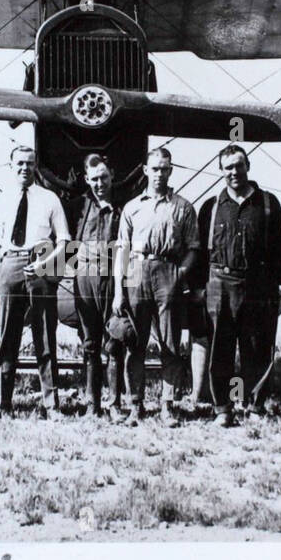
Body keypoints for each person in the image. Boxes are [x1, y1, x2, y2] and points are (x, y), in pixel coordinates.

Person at [196, 144, 281, 427]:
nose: (234, 172)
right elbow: (200, 253)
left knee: (257, 347)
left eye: (239, 165)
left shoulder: (269, 204)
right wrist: (201, 290)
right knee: (221, 348)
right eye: (228, 168)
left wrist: (277, 289)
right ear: (221, 171)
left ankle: (255, 407)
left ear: (248, 166)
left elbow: (280, 251)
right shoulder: (211, 207)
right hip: (220, 284)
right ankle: (222, 408)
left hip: (258, 285)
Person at [114, 147, 200, 427]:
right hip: (137, 273)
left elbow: (193, 248)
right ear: (145, 171)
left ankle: (167, 406)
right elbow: (122, 251)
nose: (159, 174)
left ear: (171, 170)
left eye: (165, 168)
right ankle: (135, 406)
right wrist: (118, 290)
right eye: (155, 168)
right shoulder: (132, 206)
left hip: (168, 272)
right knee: (134, 343)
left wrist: (179, 275)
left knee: (170, 344)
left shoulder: (183, 207)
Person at [0, 145, 70, 417]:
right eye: (20, 164)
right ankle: (2, 403)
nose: (25, 168)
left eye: (29, 163)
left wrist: (45, 264)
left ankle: (52, 404)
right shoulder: (2, 198)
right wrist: (0, 267)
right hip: (10, 264)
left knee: (45, 336)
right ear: (11, 166)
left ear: (36, 166)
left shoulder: (49, 199)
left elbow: (64, 241)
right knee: (7, 336)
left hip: (41, 261)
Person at [70, 154, 126, 417]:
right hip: (84, 277)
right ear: (86, 179)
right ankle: (92, 406)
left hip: (114, 277)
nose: (100, 183)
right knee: (90, 343)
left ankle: (114, 404)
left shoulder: (124, 206)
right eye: (94, 179)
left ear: (112, 174)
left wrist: (121, 289)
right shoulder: (77, 206)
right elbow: (63, 241)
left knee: (115, 342)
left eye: (104, 177)